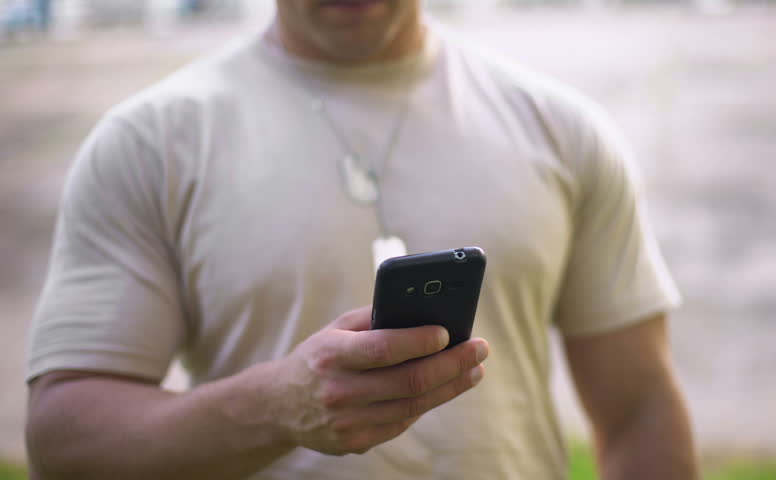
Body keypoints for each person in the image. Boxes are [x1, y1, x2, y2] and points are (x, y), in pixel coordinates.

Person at [25, 1, 699, 479]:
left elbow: (639, 410)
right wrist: (275, 408)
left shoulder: (563, 129)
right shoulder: (149, 143)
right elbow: (64, 442)